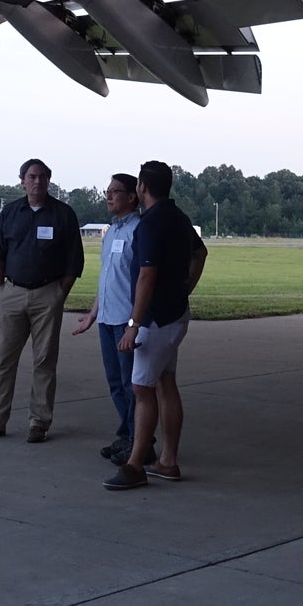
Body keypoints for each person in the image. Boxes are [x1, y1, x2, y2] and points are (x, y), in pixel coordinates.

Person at [105, 160, 206, 489]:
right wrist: (186, 287)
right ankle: (168, 461)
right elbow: (200, 252)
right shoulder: (179, 218)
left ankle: (136, 464)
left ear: (142, 188)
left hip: (155, 320)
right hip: (176, 314)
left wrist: (134, 323)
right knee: (165, 384)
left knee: (142, 390)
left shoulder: (148, 224)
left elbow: (146, 275)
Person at [0, 157, 83, 443]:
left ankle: (39, 422)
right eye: (32, 177)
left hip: (48, 294)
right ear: (22, 181)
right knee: (2, 360)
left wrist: (59, 294)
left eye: (42, 177)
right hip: (12, 293)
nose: (37, 182)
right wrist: (1, 291)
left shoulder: (63, 214)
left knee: (44, 361)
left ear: (49, 180)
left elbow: (74, 262)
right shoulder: (10, 213)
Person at [71, 173, 152, 465]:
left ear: (132, 196)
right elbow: (108, 278)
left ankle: (141, 443)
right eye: (107, 191)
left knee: (133, 385)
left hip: (126, 320)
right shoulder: (112, 232)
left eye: (115, 192)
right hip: (107, 318)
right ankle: (127, 436)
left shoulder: (139, 230)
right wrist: (93, 313)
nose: (109, 196)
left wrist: (134, 321)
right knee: (116, 383)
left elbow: (145, 277)